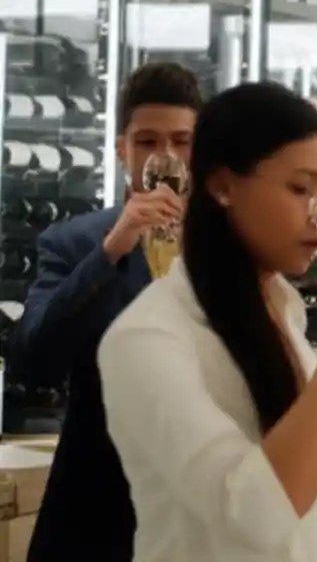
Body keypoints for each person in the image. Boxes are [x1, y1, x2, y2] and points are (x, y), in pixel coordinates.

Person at [97, 83, 317, 561]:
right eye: (301, 188)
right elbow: (260, 517)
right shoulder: (149, 338)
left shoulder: (283, 313)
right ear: (223, 186)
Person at [13, 62, 201, 561]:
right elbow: (34, 361)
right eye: (147, 142)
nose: (166, 157)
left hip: (201, 511)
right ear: (122, 149)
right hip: (96, 512)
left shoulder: (233, 247)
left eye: (182, 142)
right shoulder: (73, 242)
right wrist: (111, 250)